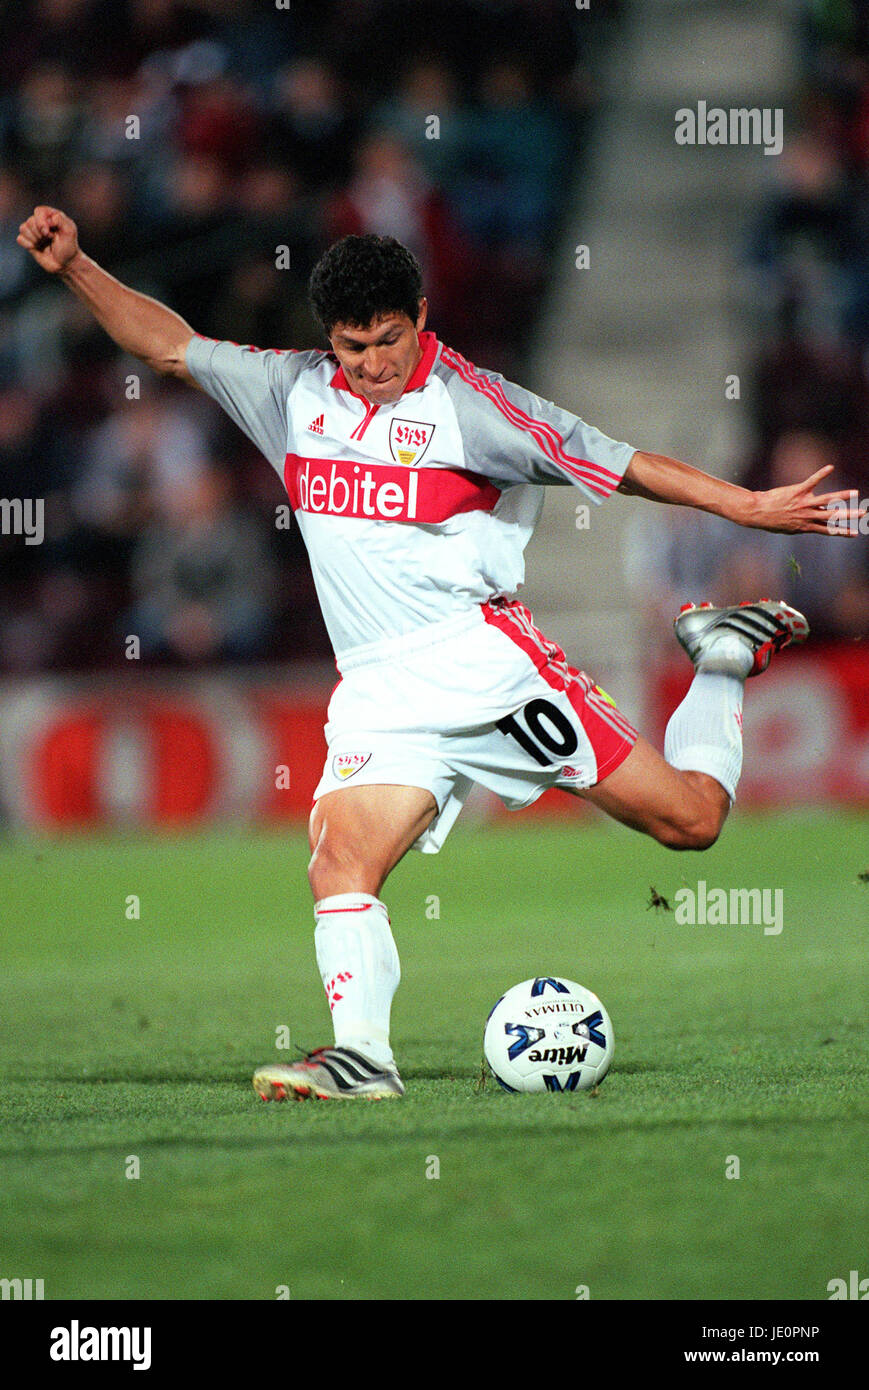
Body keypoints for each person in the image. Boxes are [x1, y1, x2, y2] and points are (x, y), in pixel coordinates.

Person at [17, 207, 863, 1101]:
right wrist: (76, 268)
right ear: (327, 341)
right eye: (353, 348)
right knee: (338, 861)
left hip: (484, 666)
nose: (374, 365)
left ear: (420, 316)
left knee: (689, 823)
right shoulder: (292, 393)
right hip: (379, 691)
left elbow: (619, 463)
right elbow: (171, 347)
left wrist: (744, 507)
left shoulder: (473, 407)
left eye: (388, 340)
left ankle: (722, 656)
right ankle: (363, 1059)